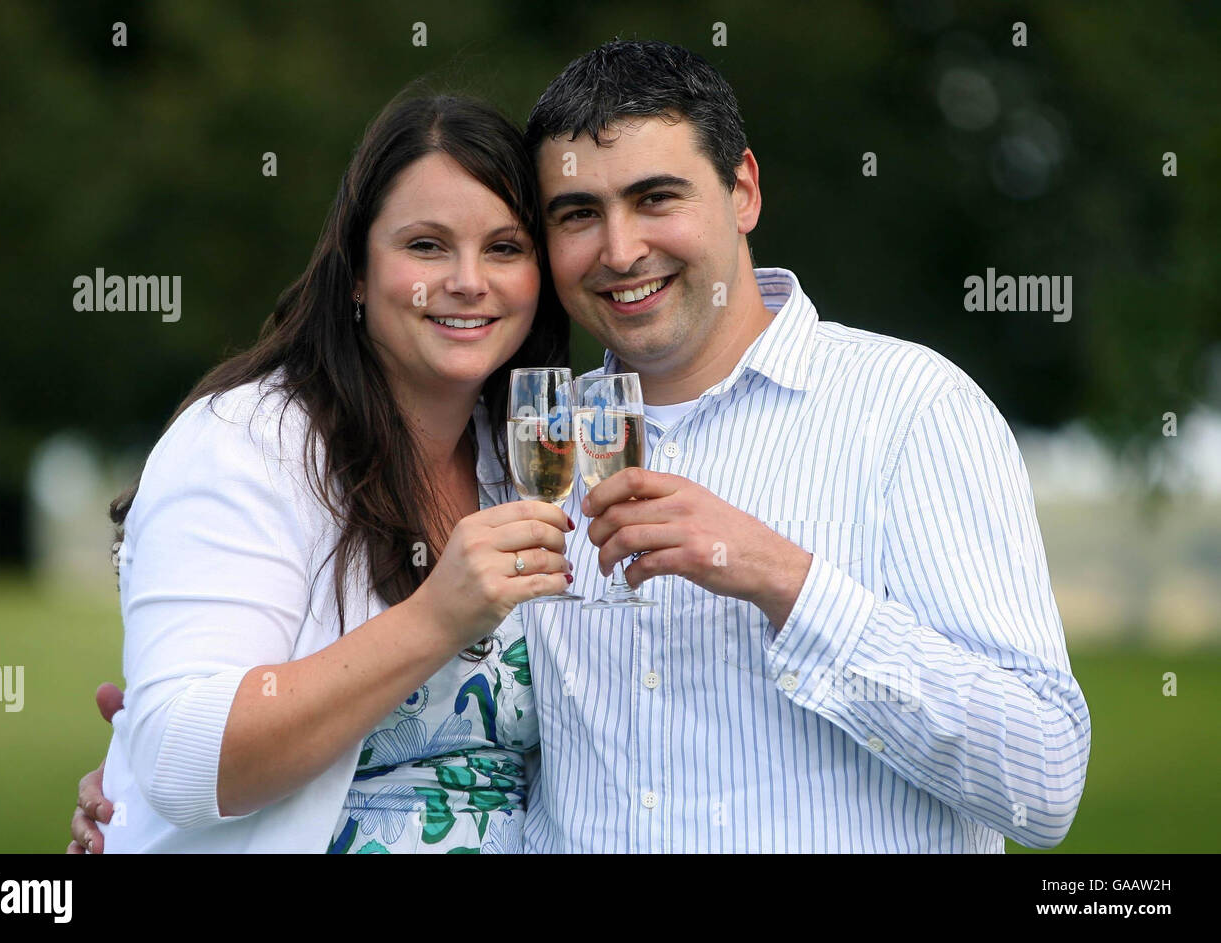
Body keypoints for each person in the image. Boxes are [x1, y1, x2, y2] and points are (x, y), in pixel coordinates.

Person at [75, 40, 1091, 854]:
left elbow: (1043, 783)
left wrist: (782, 577)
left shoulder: (907, 409)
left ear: (741, 190)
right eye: (575, 215)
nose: (619, 249)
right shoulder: (533, 442)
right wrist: (151, 800)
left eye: (656, 198)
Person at [72, 91, 575, 853]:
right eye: (427, 246)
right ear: (357, 275)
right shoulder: (247, 442)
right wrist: (435, 618)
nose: (470, 280)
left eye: (505, 248)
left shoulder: (533, 454)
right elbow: (182, 759)